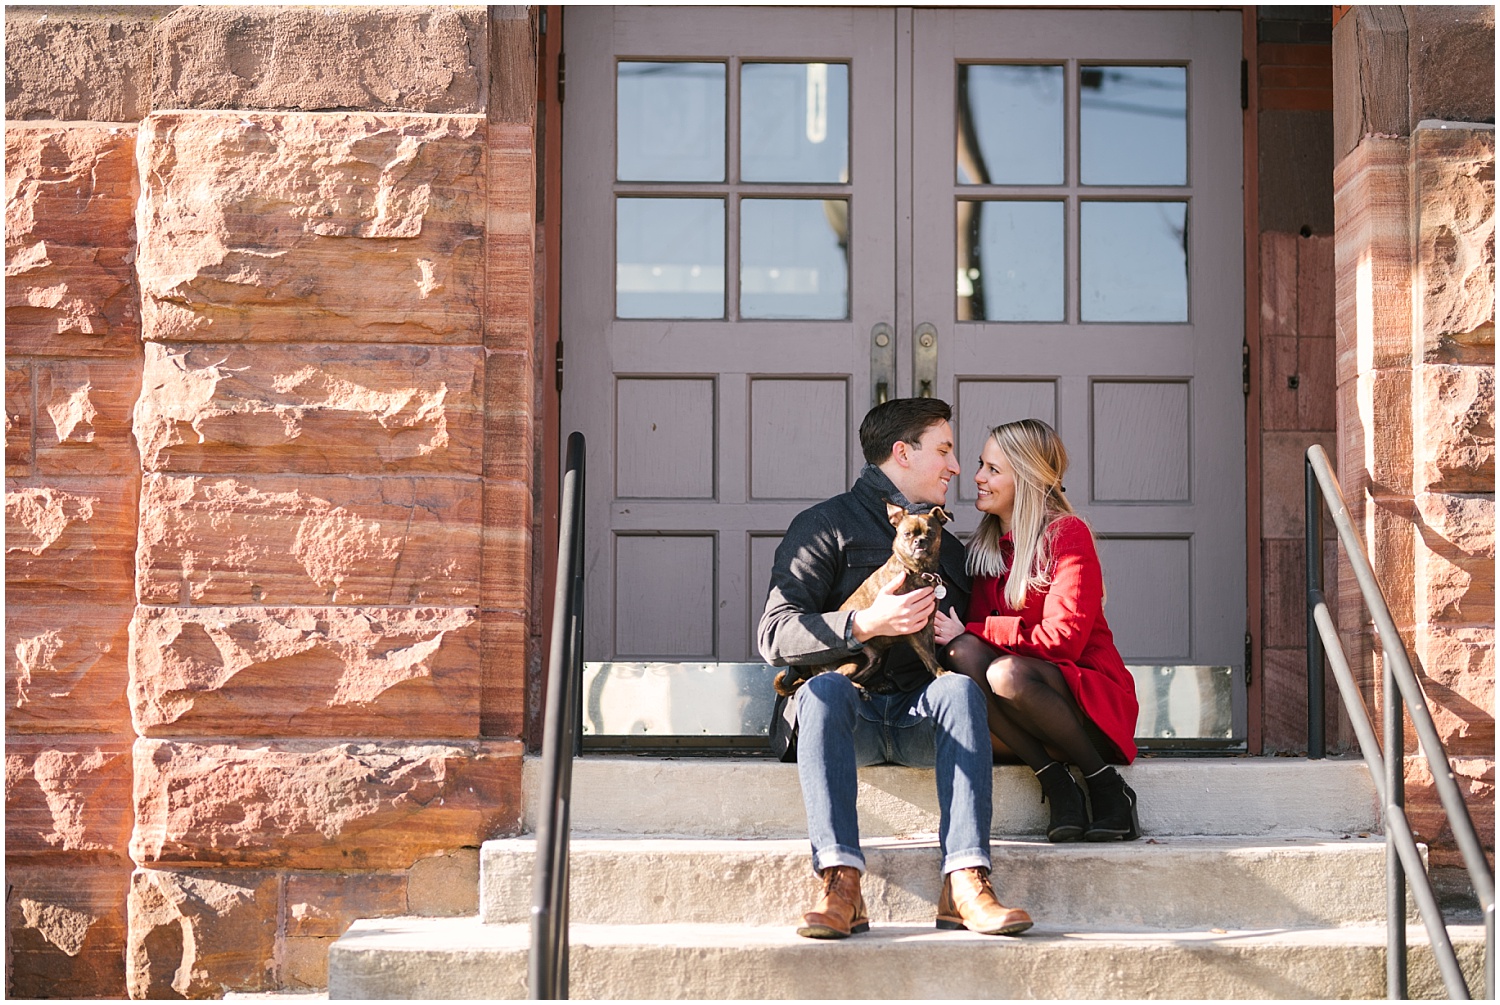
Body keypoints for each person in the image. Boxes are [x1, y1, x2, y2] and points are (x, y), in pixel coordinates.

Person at [758, 397, 1033, 940]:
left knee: (957, 690)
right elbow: (774, 634)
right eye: (946, 450)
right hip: (845, 718)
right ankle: (840, 882)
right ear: (903, 453)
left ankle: (965, 882)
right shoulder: (823, 525)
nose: (957, 468)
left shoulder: (950, 550)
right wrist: (865, 622)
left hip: (917, 717)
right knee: (823, 692)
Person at [932, 418, 1141, 844]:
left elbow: (1063, 639)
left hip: (1085, 707)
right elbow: (975, 648)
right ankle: (1056, 782)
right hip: (1023, 723)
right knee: (960, 655)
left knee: (1003, 671)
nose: (977, 478)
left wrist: (977, 627)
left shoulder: (1067, 535)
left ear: (1025, 477)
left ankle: (1105, 785)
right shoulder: (985, 548)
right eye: (980, 465)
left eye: (992, 469)